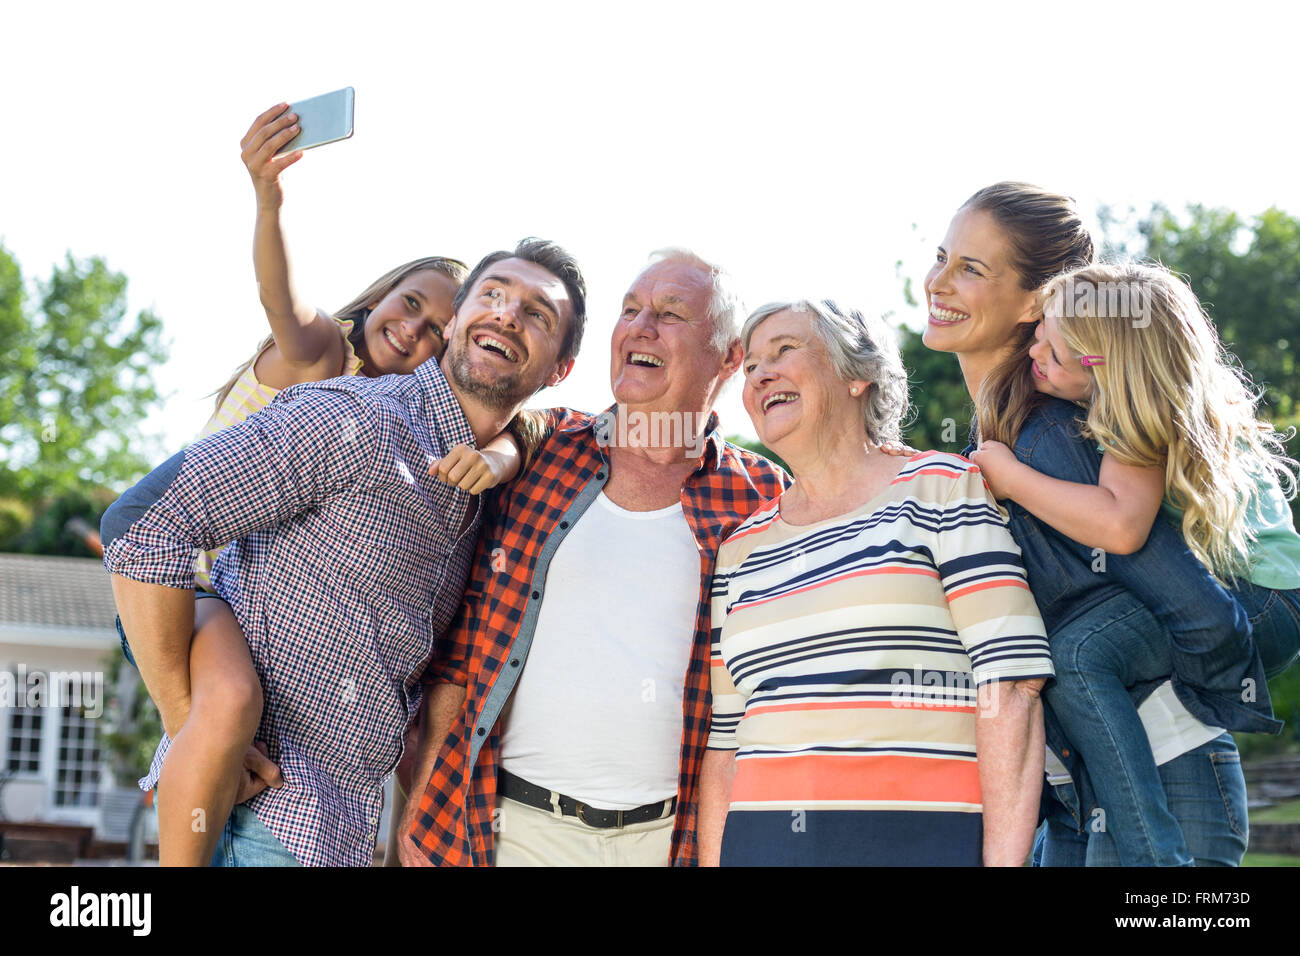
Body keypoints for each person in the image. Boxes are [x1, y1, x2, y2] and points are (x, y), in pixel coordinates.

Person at [114, 104, 532, 868]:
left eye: (439, 330)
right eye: (412, 304)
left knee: (230, 709)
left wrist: (503, 455)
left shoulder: (409, 429)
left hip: (225, 596)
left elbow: (517, 427)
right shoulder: (321, 361)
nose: (416, 331)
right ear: (377, 297)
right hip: (180, 581)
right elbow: (282, 296)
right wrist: (270, 201)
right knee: (228, 705)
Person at [398, 248, 789, 866]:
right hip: (511, 831)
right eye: (630, 309)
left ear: (730, 356)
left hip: (667, 841)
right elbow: (463, 649)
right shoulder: (545, 447)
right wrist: (425, 800)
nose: (641, 326)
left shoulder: (764, 497)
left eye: (670, 313)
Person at [923, 181, 1275, 866]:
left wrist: (1234, 679)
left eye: (972, 268)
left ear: (1036, 300)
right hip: (1079, 792)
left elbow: (1183, 593)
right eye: (942, 256)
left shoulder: (1055, 432)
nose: (938, 280)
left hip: (1166, 778)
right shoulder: (1007, 430)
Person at [698, 300, 1052, 866]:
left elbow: (1011, 685)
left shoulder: (942, 489)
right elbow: (726, 739)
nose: (760, 373)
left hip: (919, 844)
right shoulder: (740, 547)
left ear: (857, 374)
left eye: (785, 350)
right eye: (750, 367)